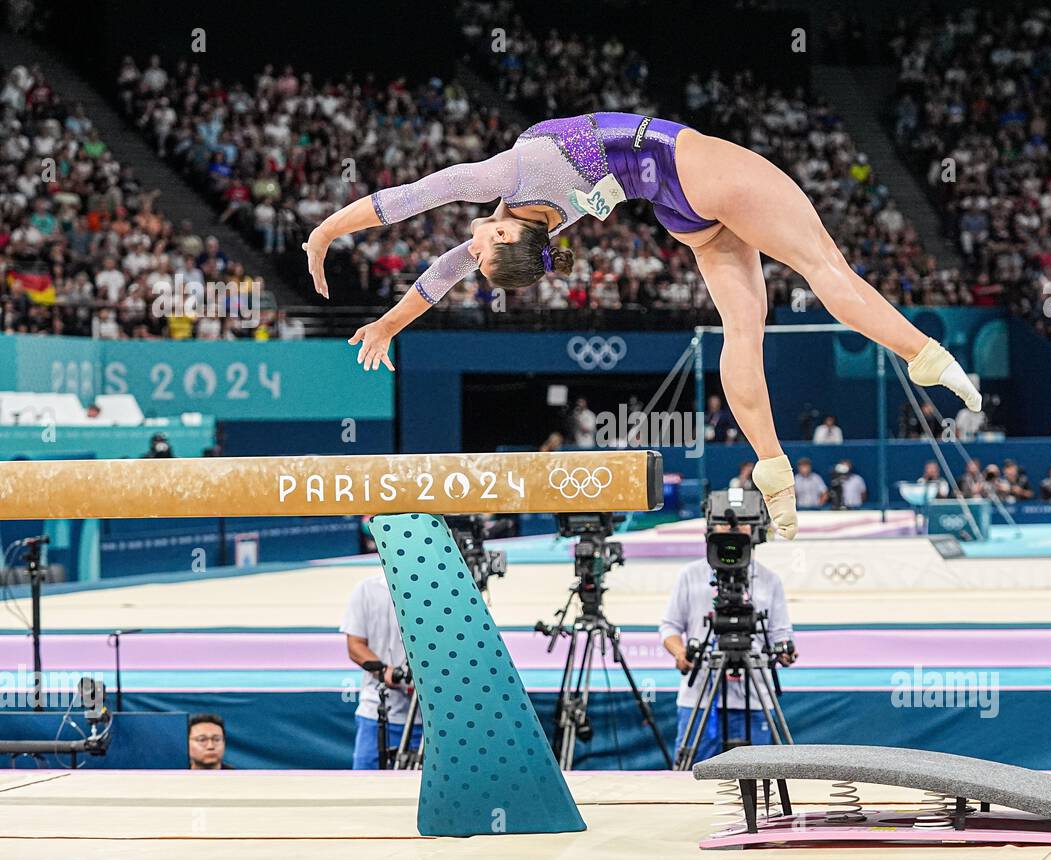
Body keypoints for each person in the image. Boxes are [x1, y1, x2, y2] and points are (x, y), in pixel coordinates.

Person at [305, 112, 981, 541]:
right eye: (484, 251)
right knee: (820, 264)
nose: (470, 246)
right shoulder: (520, 200)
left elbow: (426, 225)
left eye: (481, 250)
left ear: (509, 230)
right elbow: (432, 233)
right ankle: (925, 356)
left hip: (682, 211)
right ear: (511, 232)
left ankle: (774, 473)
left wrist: (356, 272)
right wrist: (344, 260)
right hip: (698, 170)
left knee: (745, 327)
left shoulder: (522, 197)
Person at [659, 521, 794, 762]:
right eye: (724, 522)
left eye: (741, 522)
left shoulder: (769, 579)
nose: (733, 528)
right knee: (690, 779)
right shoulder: (690, 574)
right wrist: (680, 653)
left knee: (759, 781)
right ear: (710, 529)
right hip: (698, 697)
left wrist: (785, 651)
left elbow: (781, 634)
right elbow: (669, 626)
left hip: (753, 697)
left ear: (754, 530)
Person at [341, 573, 422, 769]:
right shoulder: (367, 590)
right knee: (365, 789)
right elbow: (355, 645)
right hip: (376, 713)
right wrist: (384, 671)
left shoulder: (438, 593)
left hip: (426, 719)